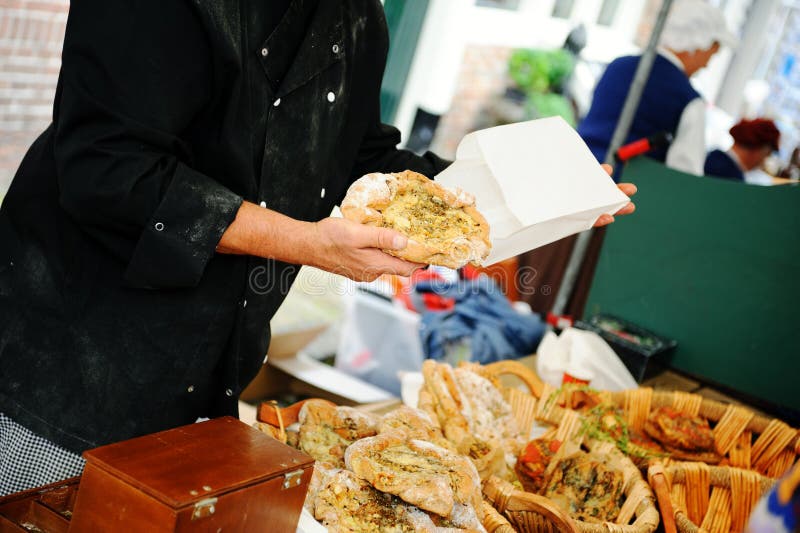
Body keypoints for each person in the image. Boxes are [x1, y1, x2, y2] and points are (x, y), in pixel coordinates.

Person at [0, 0, 635, 495]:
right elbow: (108, 170)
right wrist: (310, 245)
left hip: (203, 370)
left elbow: (361, 156)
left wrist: (536, 196)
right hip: (63, 361)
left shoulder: (355, 15)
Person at [577, 0, 737, 175]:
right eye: (710, 55)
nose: (706, 65)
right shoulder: (689, 100)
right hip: (623, 190)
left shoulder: (618, 65)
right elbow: (685, 174)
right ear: (698, 45)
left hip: (576, 167)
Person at [705, 118, 780, 181]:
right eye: (767, 155)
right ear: (762, 151)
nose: (763, 162)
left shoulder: (712, 156)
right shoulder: (734, 178)